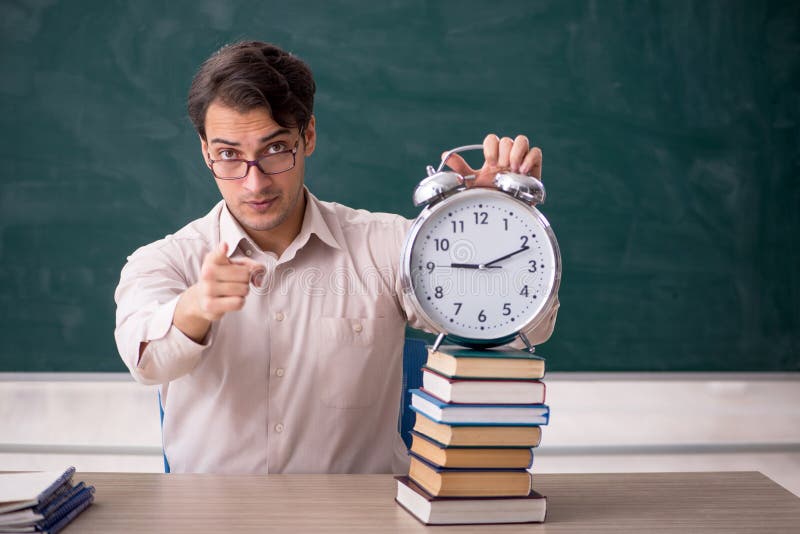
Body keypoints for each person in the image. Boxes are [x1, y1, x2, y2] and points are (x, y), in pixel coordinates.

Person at [114, 40, 560, 474]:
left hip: (360, 511)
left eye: (275, 149)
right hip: (212, 511)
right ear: (206, 151)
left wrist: (495, 223)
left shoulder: (393, 246)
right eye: (229, 155)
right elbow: (147, 363)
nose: (255, 183)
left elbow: (524, 331)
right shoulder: (165, 261)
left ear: (307, 136)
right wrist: (196, 307)